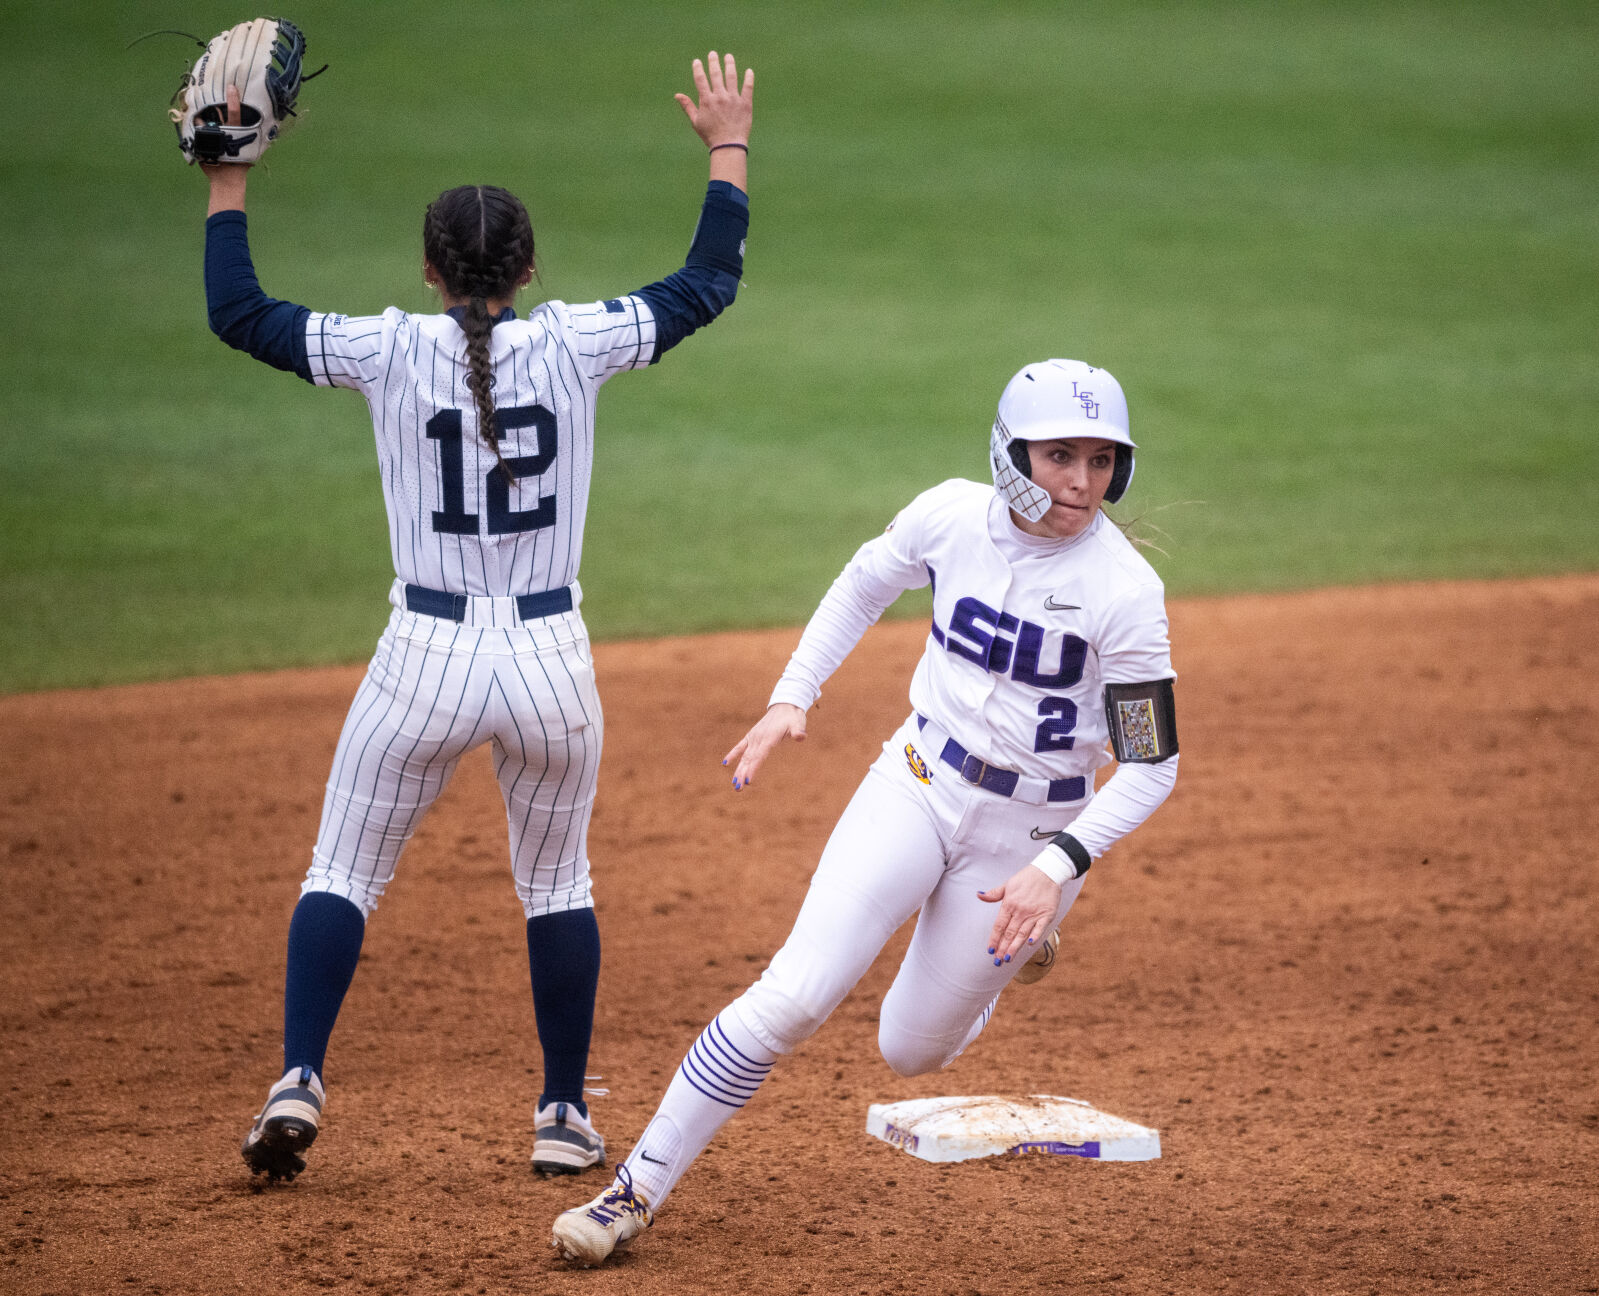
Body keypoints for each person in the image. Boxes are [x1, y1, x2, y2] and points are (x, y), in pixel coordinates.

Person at [198, 52, 756, 1182]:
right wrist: (726, 147)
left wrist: (228, 176)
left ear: (428, 268)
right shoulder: (581, 340)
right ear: (531, 268)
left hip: (424, 657)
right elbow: (708, 282)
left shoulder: (387, 347)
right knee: (558, 883)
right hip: (552, 661)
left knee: (344, 872)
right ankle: (561, 1112)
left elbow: (238, 314)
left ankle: (300, 1077)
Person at [551, 358, 1181, 1264]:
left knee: (909, 1051)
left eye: (1099, 460)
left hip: (1029, 836)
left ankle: (1012, 954)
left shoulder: (1124, 592)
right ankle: (634, 1190)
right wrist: (790, 693)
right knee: (794, 995)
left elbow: (1151, 765)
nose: (1081, 483)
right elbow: (863, 582)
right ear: (1010, 455)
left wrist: (1052, 871)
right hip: (918, 779)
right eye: (1058, 457)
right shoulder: (948, 514)